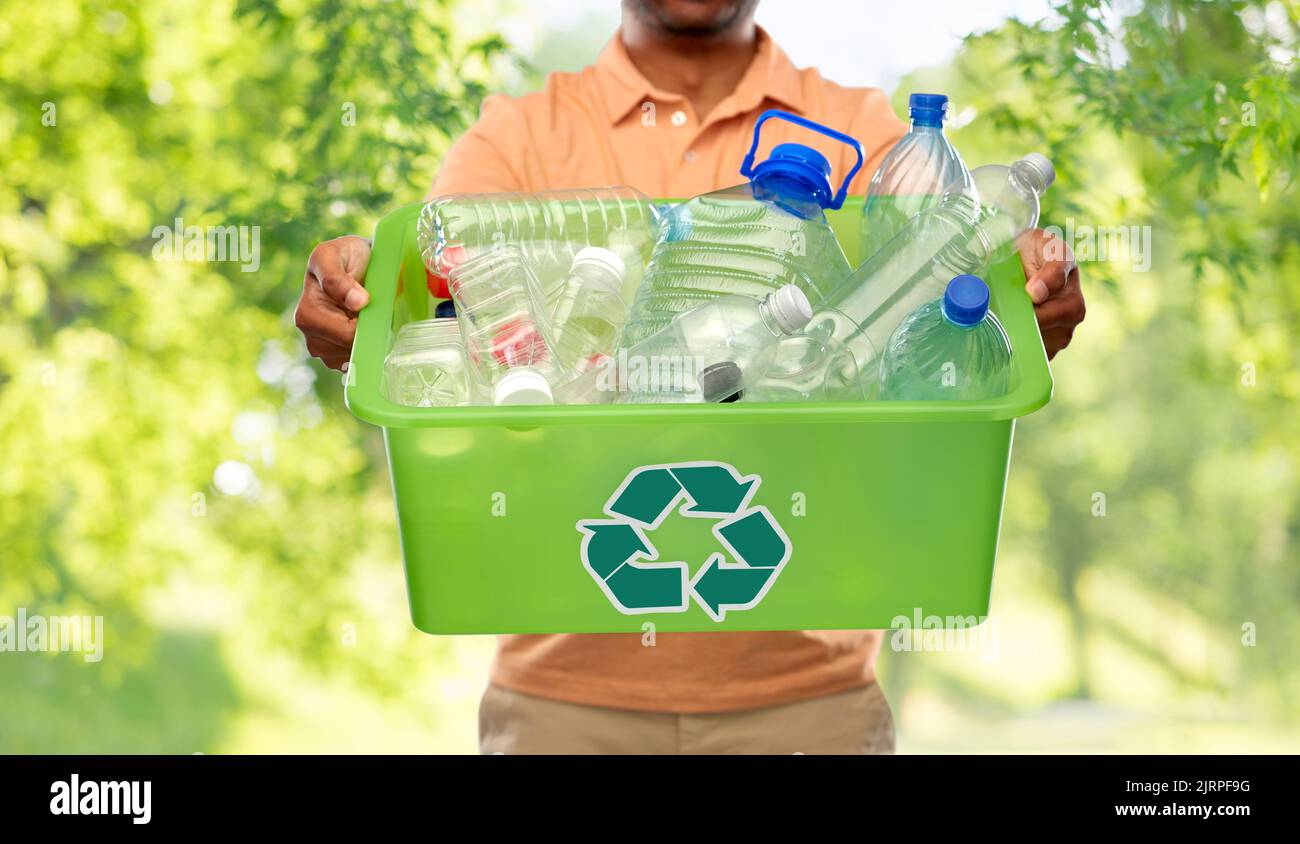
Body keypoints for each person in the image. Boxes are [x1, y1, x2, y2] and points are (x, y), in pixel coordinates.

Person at [294, 0, 1086, 754]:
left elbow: (943, 302)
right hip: (560, 706)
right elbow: (435, 295)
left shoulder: (863, 130)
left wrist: (1015, 305)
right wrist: (355, 300)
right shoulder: (520, 136)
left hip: (811, 699)